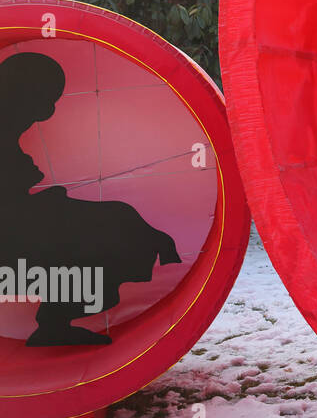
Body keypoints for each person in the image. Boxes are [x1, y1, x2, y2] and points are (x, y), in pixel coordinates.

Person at [0, 52, 182, 346]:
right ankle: (55, 322)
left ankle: (55, 321)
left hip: (19, 229)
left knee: (114, 219)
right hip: (10, 243)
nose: (48, 109)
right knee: (112, 222)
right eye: (46, 97)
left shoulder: (9, 134)